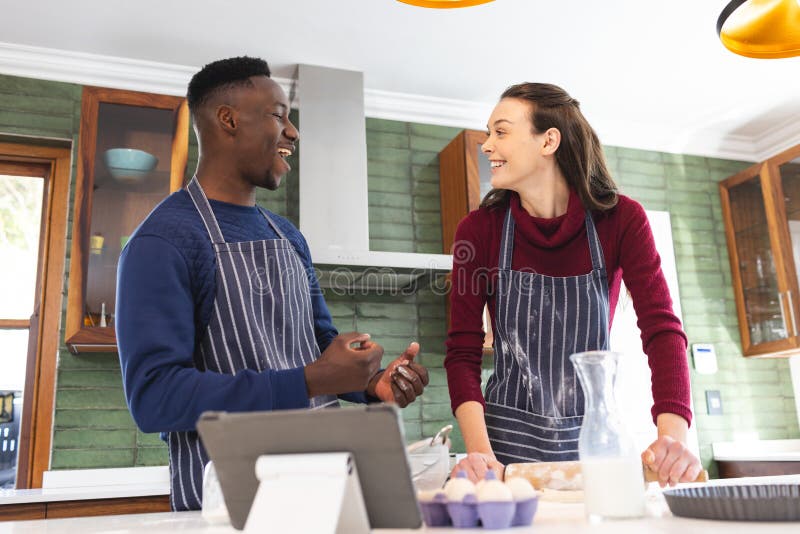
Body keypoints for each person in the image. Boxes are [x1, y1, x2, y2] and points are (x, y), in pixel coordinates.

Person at [116, 56, 429, 511]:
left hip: (324, 488)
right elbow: (154, 397)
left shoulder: (287, 235)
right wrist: (307, 380)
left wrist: (372, 382)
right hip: (232, 504)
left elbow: (320, 348)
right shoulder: (162, 242)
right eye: (279, 115)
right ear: (229, 120)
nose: (293, 131)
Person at [444, 83, 701, 487]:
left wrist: (671, 441)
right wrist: (481, 455)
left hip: (594, 444)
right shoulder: (479, 230)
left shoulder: (621, 220)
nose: (487, 146)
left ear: (548, 140)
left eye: (501, 131)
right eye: (488, 133)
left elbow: (663, 331)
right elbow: (462, 351)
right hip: (502, 454)